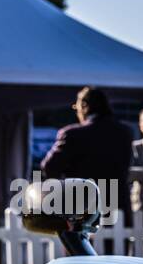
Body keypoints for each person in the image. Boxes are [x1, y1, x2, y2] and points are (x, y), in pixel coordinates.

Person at [41, 86, 133, 221]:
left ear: (84, 106)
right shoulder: (125, 132)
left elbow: (49, 167)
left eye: (76, 107)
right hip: (118, 209)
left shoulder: (72, 134)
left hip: (82, 211)